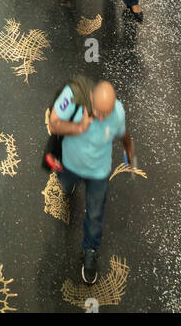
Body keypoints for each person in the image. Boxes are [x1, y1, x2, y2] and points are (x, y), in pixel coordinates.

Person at [49, 78, 135, 285]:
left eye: (108, 112)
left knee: (95, 213)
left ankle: (90, 250)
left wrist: (129, 151)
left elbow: (124, 135)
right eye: (99, 111)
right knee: (67, 185)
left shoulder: (117, 113)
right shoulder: (72, 96)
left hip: (98, 172)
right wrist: (79, 127)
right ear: (90, 98)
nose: (103, 117)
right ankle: (69, 187)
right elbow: (53, 125)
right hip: (71, 164)